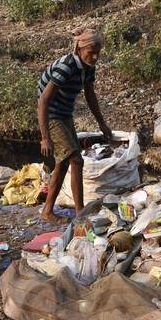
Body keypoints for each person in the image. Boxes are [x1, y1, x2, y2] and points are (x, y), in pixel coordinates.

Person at [37, 28, 114, 223]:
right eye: (91, 52)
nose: (95, 57)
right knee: (76, 160)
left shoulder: (88, 67)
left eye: (98, 53)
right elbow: (43, 101)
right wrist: (45, 137)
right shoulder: (66, 66)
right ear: (79, 49)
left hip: (64, 114)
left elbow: (90, 95)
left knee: (63, 163)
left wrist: (102, 124)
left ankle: (47, 211)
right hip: (53, 114)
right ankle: (80, 214)